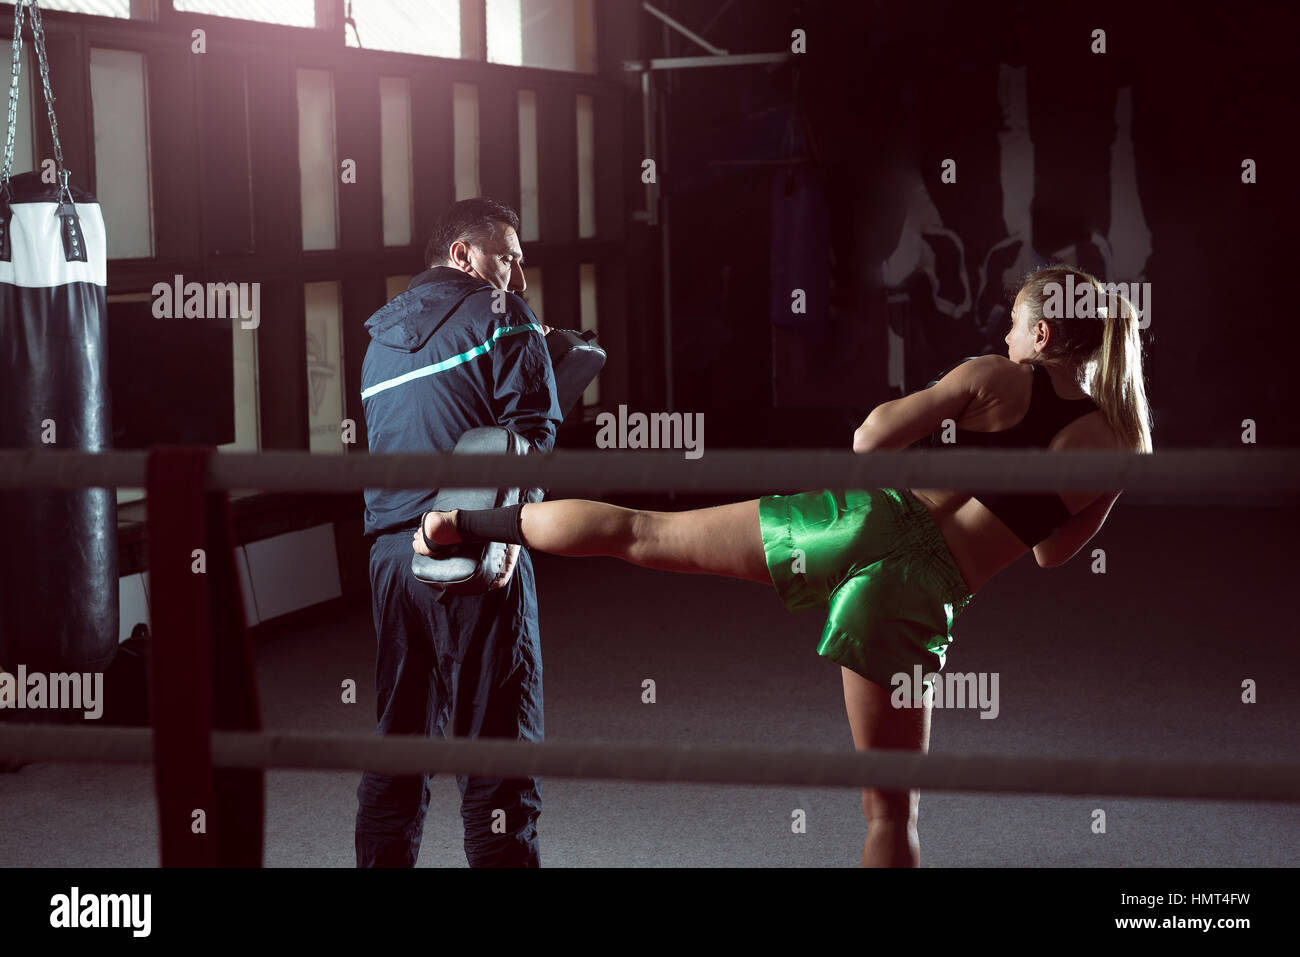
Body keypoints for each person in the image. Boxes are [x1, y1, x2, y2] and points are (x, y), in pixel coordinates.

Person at [413, 264, 1153, 867]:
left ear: (1043, 331)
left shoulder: (994, 375)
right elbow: (1054, 553)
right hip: (922, 594)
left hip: (863, 523)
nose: (1006, 333)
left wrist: (957, 418)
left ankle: (459, 522)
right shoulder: (1121, 446)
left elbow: (871, 438)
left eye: (1016, 323)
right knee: (891, 811)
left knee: (647, 533)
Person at [357, 197, 560, 867]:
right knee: (497, 755)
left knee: (399, 748)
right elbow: (529, 438)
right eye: (509, 259)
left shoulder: (379, 340)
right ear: (463, 255)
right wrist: (499, 534)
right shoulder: (503, 317)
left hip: (392, 557)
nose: (520, 280)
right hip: (468, 545)